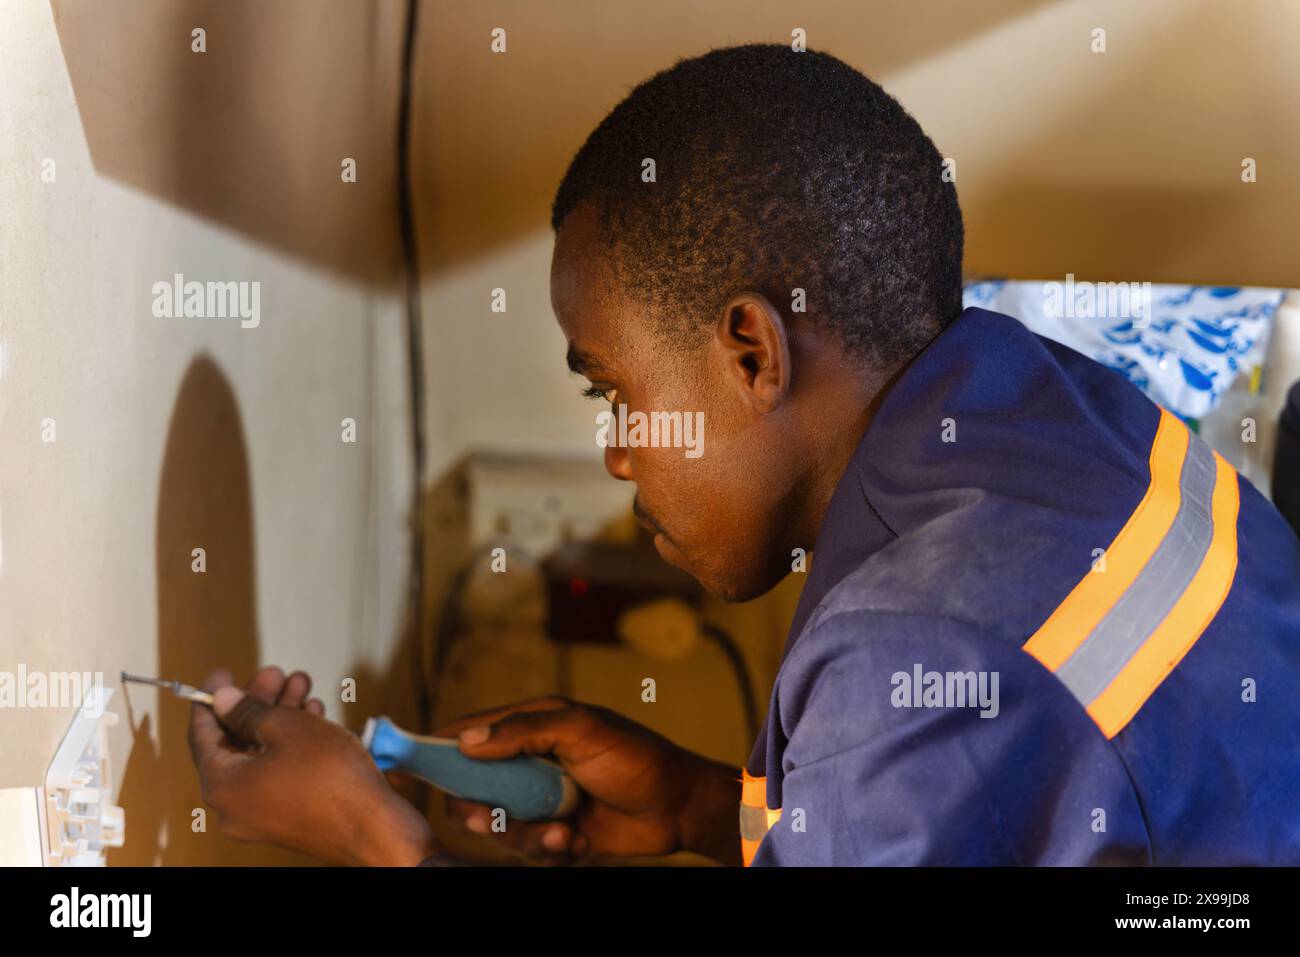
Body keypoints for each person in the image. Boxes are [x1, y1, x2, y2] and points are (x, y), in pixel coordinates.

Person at [189, 44, 1300, 866]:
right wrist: (691, 803)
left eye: (615, 392)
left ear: (750, 351)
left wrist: (376, 840)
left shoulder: (913, 637)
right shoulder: (1052, 403)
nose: (620, 456)